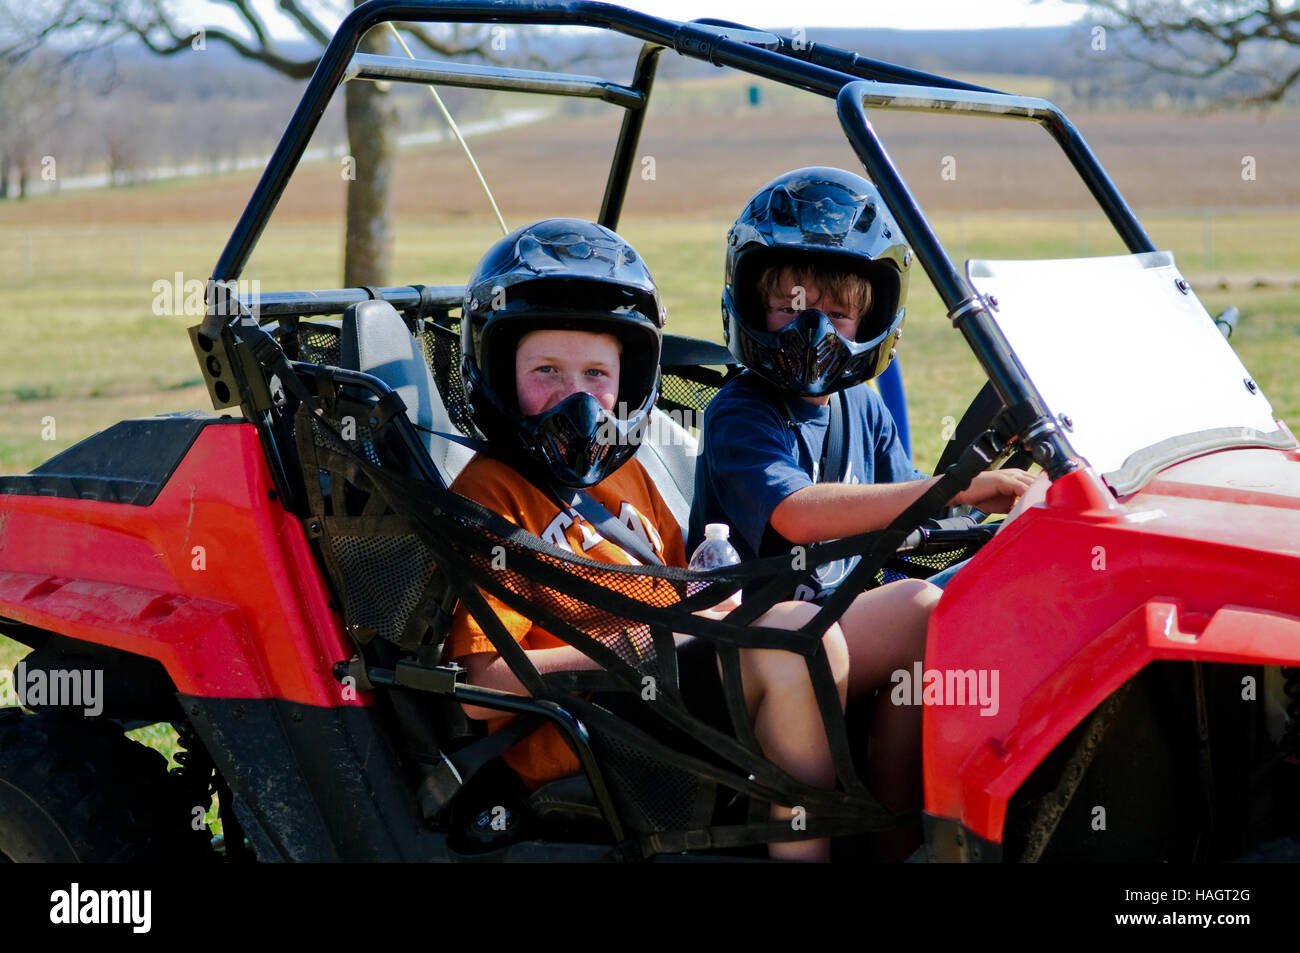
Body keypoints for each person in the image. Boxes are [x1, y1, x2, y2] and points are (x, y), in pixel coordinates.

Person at [443, 218, 926, 861]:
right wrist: (652, 638)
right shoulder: (490, 495)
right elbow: (485, 690)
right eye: (547, 372)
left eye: (596, 375)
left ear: (629, 381)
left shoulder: (629, 473)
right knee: (797, 641)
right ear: (500, 373)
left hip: (664, 691)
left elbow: (680, 589)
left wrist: (703, 612)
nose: (577, 400)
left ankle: (900, 847)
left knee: (919, 611)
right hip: (591, 726)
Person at [690, 167, 1035, 600]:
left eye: (837, 315)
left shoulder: (863, 406)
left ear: (868, 321)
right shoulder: (740, 411)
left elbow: (910, 505)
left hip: (836, 620)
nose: (814, 333)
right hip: (754, 632)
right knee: (925, 605)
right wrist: (958, 484)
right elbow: (797, 515)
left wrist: (990, 480)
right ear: (754, 308)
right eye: (790, 308)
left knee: (1005, 583)